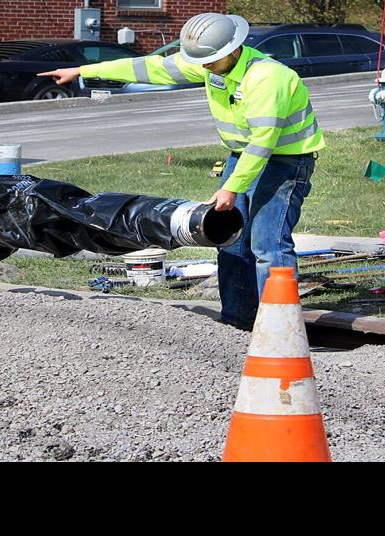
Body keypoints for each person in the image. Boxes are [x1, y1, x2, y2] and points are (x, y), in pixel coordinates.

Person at [39, 14, 325, 329]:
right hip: (242, 156)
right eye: (201, 61)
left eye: (211, 61)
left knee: (267, 245)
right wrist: (83, 70)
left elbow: (263, 142)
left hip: (283, 162)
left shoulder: (268, 78)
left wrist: (232, 187)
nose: (205, 67)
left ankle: (280, 330)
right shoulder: (211, 62)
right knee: (230, 240)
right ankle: (238, 322)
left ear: (234, 49)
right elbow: (150, 68)